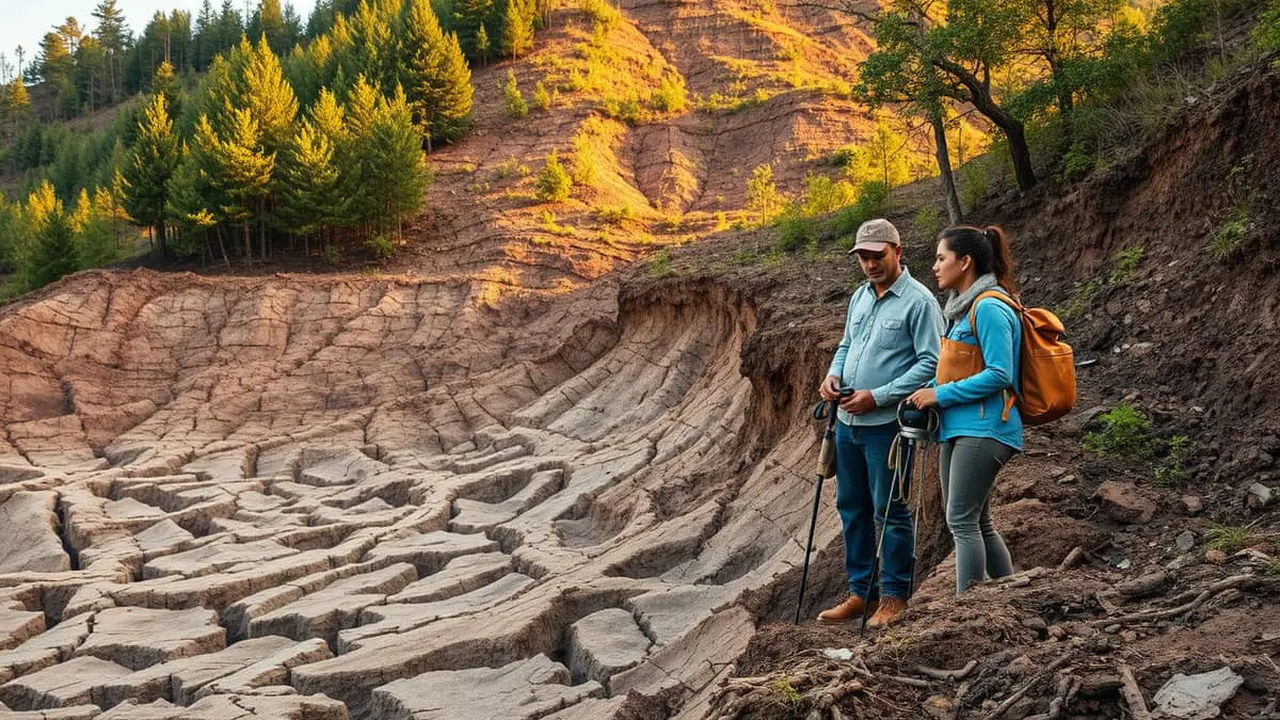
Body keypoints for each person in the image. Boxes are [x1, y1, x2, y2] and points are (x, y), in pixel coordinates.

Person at [817, 218, 944, 628]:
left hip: (886, 427)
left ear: (897, 252)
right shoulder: (860, 295)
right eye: (864, 258)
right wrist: (832, 375)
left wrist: (878, 395)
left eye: (878, 256)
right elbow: (846, 344)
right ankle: (862, 593)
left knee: (889, 510)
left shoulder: (920, 302)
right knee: (851, 506)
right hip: (846, 422)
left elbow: (932, 363)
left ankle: (894, 596)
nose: (870, 264)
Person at [906, 225, 1023, 594]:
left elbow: (1000, 373)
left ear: (965, 262)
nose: (935, 266)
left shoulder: (989, 307)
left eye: (942, 258)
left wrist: (940, 395)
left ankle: (966, 607)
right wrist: (928, 390)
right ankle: (1008, 594)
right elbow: (963, 368)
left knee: (961, 520)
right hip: (959, 427)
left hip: (986, 428)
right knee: (976, 521)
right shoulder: (961, 309)